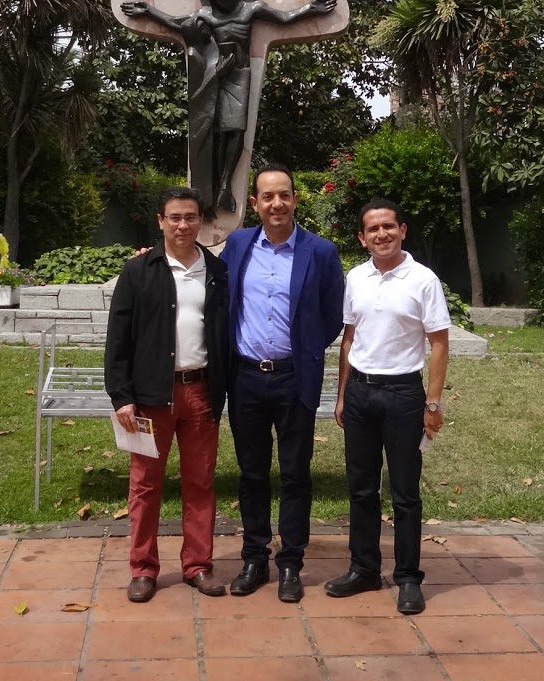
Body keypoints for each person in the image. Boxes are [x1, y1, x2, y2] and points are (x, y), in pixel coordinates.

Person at [121, 0, 336, 218]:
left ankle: (225, 186)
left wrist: (310, 9)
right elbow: (178, 24)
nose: (223, 1)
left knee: (237, 130)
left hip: (240, 74)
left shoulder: (252, 9)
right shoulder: (207, 15)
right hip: (218, 75)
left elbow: (284, 18)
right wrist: (148, 11)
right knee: (218, 132)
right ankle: (215, 190)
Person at [222, 165, 345, 602]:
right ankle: (254, 558)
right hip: (245, 379)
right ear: (255, 203)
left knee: (295, 475)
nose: (277, 204)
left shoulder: (321, 252)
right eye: (267, 196)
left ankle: (291, 562)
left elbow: (334, 314)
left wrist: (307, 348)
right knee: (252, 473)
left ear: (295, 199)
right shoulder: (237, 245)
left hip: (295, 378)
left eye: (284, 195)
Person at [104, 186, 230, 603]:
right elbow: (118, 339)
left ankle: (198, 565)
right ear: (160, 221)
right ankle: (143, 569)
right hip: (150, 397)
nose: (182, 225)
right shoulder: (139, 271)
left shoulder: (217, 271)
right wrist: (121, 396)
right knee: (144, 485)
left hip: (201, 394)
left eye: (190, 217)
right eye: (174, 217)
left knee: (200, 483)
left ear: (201, 222)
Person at [327, 199, 450, 615]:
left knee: (404, 492)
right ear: (362, 238)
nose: (381, 234)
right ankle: (363, 569)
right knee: (361, 488)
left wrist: (432, 403)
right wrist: (343, 394)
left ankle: (408, 577)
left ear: (402, 230)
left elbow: (439, 344)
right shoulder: (355, 278)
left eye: (388, 227)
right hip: (360, 394)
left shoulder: (423, 280)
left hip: (403, 395)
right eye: (373, 229)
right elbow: (349, 338)